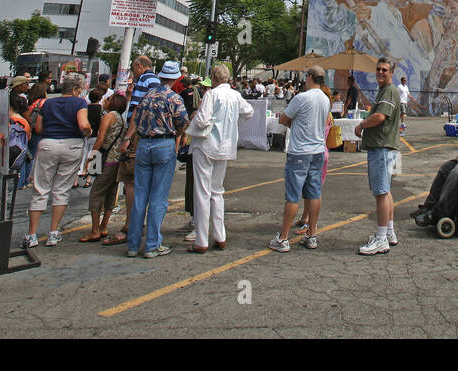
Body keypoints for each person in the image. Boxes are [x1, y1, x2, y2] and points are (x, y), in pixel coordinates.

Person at [120, 61, 186, 258]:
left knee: (140, 195)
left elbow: (136, 118)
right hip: (164, 144)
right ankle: (152, 244)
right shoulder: (174, 98)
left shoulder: (146, 96)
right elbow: (183, 122)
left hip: (144, 145)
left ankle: (133, 245)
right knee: (158, 196)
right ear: (175, 79)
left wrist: (128, 139)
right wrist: (177, 134)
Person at [187, 64, 254, 252]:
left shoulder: (211, 94)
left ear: (213, 79)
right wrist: (232, 123)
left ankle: (201, 240)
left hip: (207, 144)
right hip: (225, 146)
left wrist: (205, 120)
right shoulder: (234, 95)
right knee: (217, 190)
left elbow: (202, 120)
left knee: (202, 191)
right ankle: (219, 235)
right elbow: (249, 112)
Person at [23, 73, 92, 248]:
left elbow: (38, 127)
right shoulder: (79, 103)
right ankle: (53, 232)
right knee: (61, 190)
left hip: (48, 143)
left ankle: (32, 234)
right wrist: (88, 131)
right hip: (71, 144)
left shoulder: (49, 103)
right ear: (76, 89)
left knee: (40, 188)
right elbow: (83, 125)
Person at [269, 65, 332, 251]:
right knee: (314, 193)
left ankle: (283, 237)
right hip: (317, 150)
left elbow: (283, 119)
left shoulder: (302, 97)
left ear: (310, 77)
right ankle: (311, 234)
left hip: (300, 151)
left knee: (293, 195)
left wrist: (292, 122)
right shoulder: (325, 99)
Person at [356, 57, 402, 255]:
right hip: (384, 147)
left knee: (381, 193)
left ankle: (381, 238)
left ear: (391, 73)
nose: (381, 72)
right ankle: (389, 232)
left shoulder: (389, 91)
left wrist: (361, 125)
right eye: (378, 69)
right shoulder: (385, 91)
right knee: (386, 191)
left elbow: (380, 116)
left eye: (384, 70)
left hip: (382, 147)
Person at [83, 93, 127, 243]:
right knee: (111, 193)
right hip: (117, 161)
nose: (104, 100)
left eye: (108, 99)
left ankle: (95, 230)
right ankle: (104, 226)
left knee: (96, 193)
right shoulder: (122, 119)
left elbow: (100, 139)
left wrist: (91, 157)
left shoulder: (108, 117)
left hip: (106, 159)